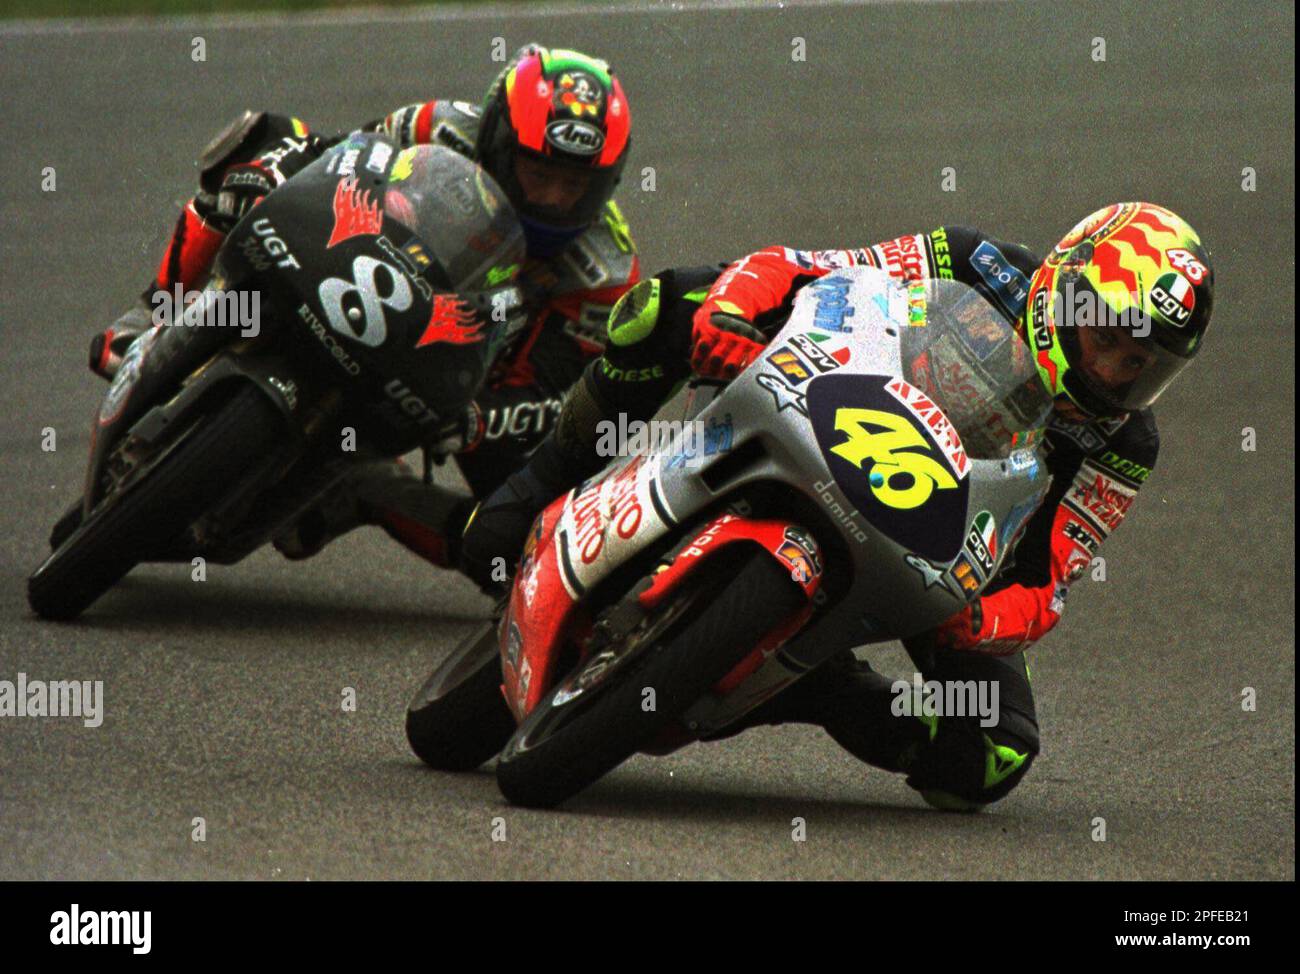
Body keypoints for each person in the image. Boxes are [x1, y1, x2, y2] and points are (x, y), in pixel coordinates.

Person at [459, 202, 1216, 810]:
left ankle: (817, 685)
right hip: (833, 407)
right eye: (1112, 336)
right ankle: (543, 480)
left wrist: (980, 621)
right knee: (665, 302)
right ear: (1070, 283)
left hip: (946, 550)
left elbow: (1048, 582)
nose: (1115, 370)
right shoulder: (972, 261)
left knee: (990, 755)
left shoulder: (1124, 444)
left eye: (1141, 365)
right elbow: (809, 274)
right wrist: (730, 311)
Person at [89, 44, 638, 568]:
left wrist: (480, 420)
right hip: (362, 261)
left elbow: (561, 399)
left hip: (462, 374)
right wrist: (271, 178)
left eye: (574, 186)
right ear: (497, 139)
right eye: (538, 174)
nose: (551, 199)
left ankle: (361, 492)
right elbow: (344, 160)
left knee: (521, 532)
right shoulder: (440, 127)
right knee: (268, 136)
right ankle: (157, 312)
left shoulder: (603, 272)